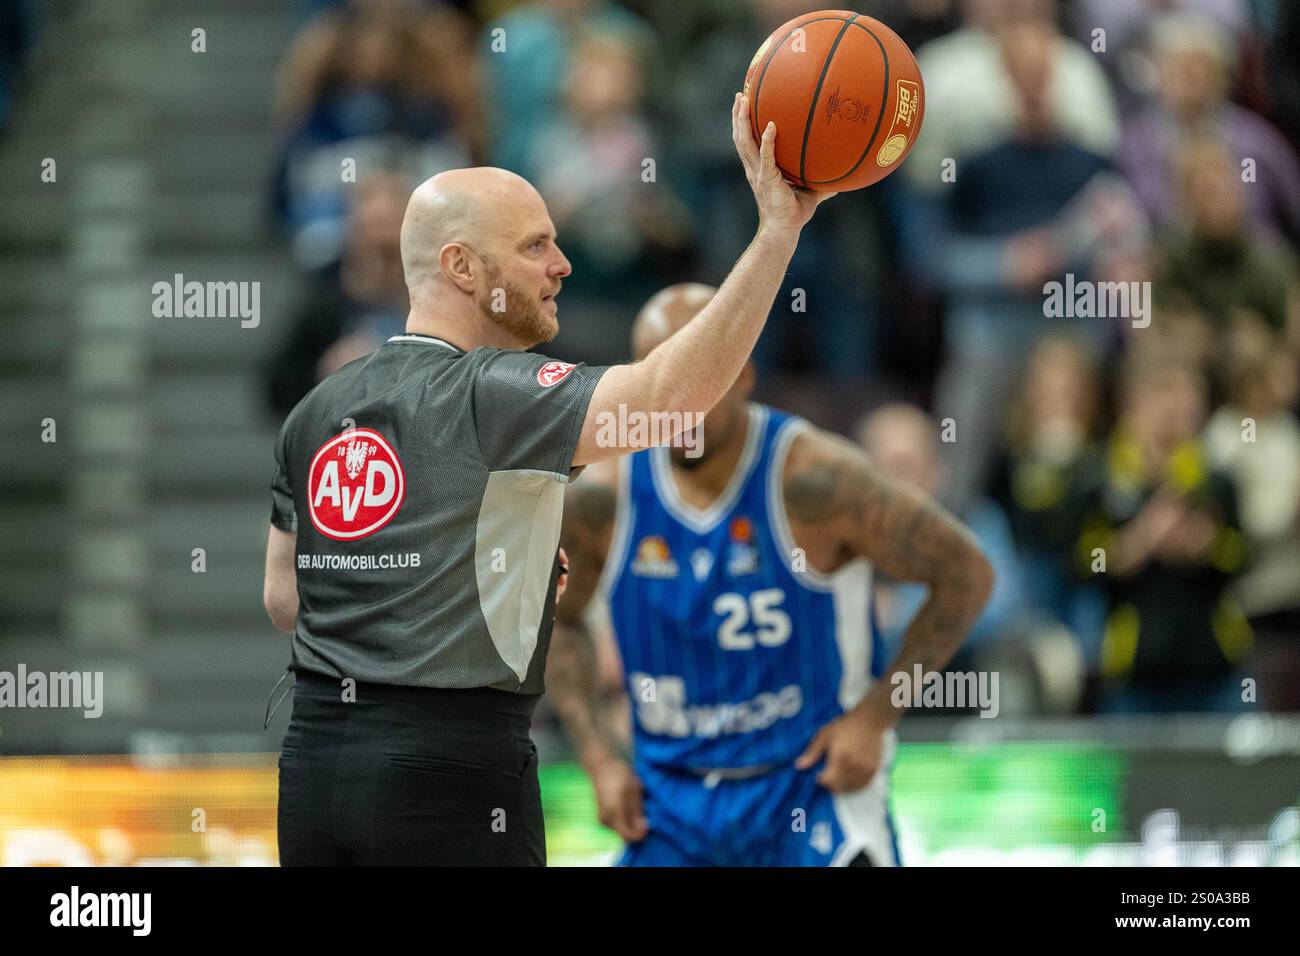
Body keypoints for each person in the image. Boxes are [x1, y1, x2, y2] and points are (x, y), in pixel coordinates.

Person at [261, 94, 835, 865]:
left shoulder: (318, 406)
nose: (560, 265)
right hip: (450, 772)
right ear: (462, 267)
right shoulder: (496, 392)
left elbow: (285, 599)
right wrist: (777, 233)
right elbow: (670, 401)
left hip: (314, 770)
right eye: (535, 247)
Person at [548, 285, 993, 866]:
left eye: (699, 378)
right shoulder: (605, 496)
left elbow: (967, 573)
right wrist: (601, 760)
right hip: (672, 803)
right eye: (661, 376)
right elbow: (560, 618)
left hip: (809, 786)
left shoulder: (814, 480)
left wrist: (877, 716)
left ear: (744, 374)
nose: (678, 406)